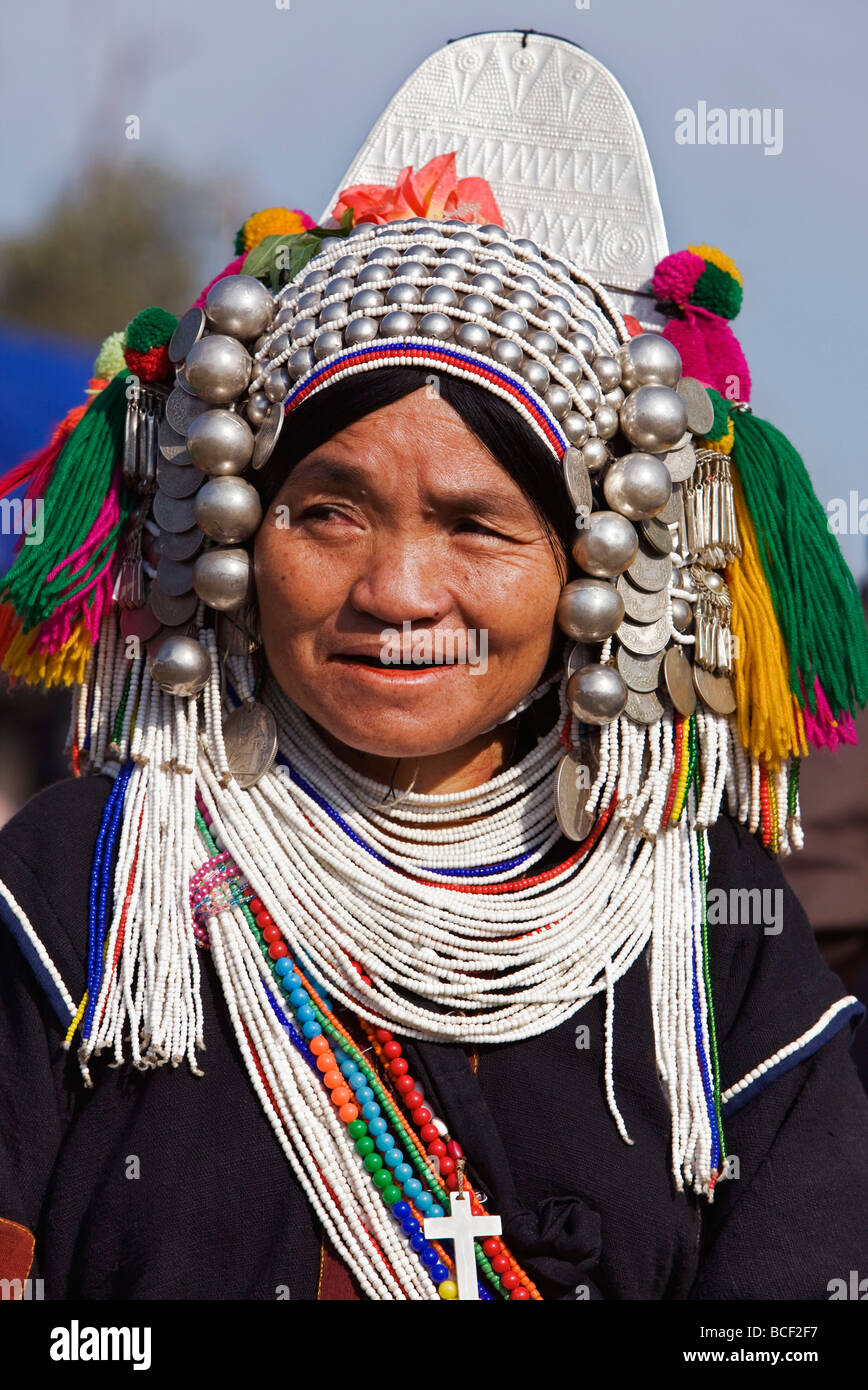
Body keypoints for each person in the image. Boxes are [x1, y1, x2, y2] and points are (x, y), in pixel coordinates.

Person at [1, 34, 867, 1298]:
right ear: (239, 524)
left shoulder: (702, 928)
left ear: (587, 565)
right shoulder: (85, 885)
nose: (398, 592)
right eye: (329, 513)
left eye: (475, 526)